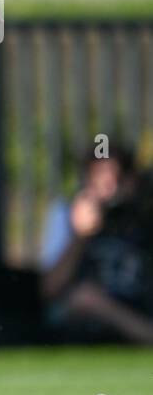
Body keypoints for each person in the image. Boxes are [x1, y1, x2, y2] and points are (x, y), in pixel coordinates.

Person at [41, 147, 153, 344]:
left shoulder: (144, 220)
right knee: (84, 299)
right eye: (99, 179)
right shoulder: (69, 216)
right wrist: (80, 236)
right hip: (81, 327)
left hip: (137, 316)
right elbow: (50, 288)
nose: (108, 189)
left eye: (116, 179)